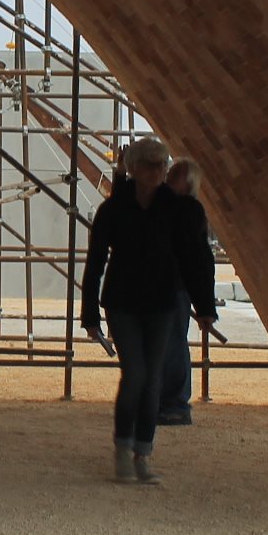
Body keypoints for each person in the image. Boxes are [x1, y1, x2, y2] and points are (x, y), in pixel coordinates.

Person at [81, 137, 216, 485]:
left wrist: (204, 306)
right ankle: (123, 449)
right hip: (123, 303)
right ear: (136, 169)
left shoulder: (177, 210)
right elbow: (95, 262)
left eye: (162, 164)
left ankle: (142, 452)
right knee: (136, 374)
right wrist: (90, 316)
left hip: (161, 302)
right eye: (153, 165)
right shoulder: (113, 210)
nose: (160, 170)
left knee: (152, 376)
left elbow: (195, 258)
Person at [158, 159, 203, 425]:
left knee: (173, 343)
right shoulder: (168, 206)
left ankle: (176, 403)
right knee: (167, 343)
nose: (167, 177)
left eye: (173, 175)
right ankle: (168, 401)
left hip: (175, 286)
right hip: (166, 284)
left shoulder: (187, 210)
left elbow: (196, 256)